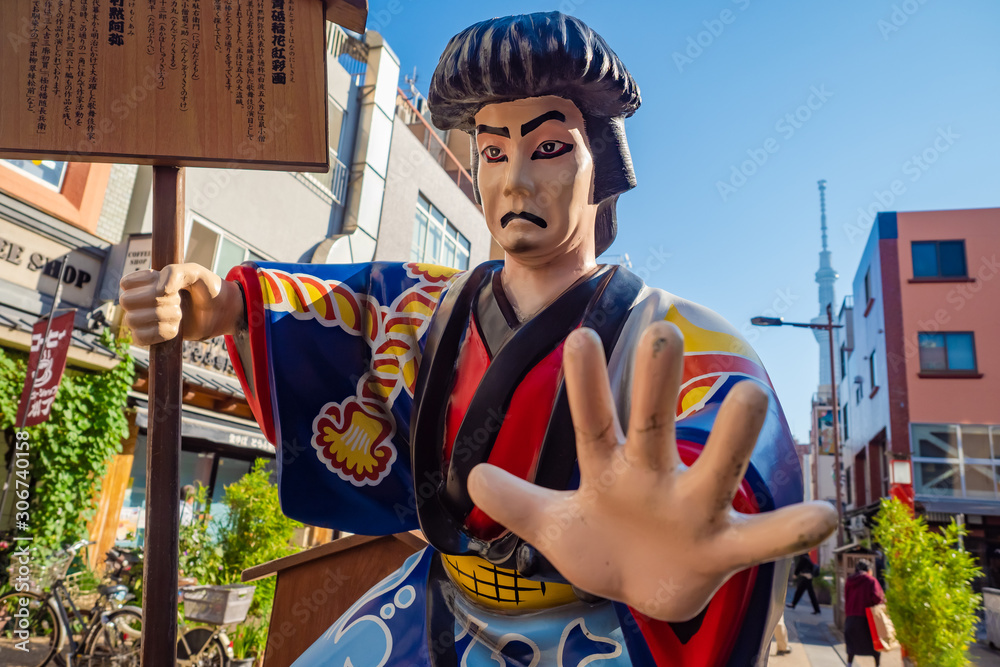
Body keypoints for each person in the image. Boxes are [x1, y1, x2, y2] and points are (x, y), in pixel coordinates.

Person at [119, 12, 836, 665]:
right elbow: (339, 305)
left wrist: (672, 538)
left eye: (549, 147)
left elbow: (734, 430)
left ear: (603, 170)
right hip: (438, 596)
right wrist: (221, 307)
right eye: (492, 152)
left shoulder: (669, 334)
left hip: (590, 631)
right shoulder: (432, 304)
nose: (516, 178)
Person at [844, 559, 886, 666]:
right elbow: (877, 598)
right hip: (867, 619)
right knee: (874, 647)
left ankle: (849, 664)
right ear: (868, 569)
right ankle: (877, 665)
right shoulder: (871, 580)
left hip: (851, 618)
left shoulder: (849, 580)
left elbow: (846, 597)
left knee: (852, 645)